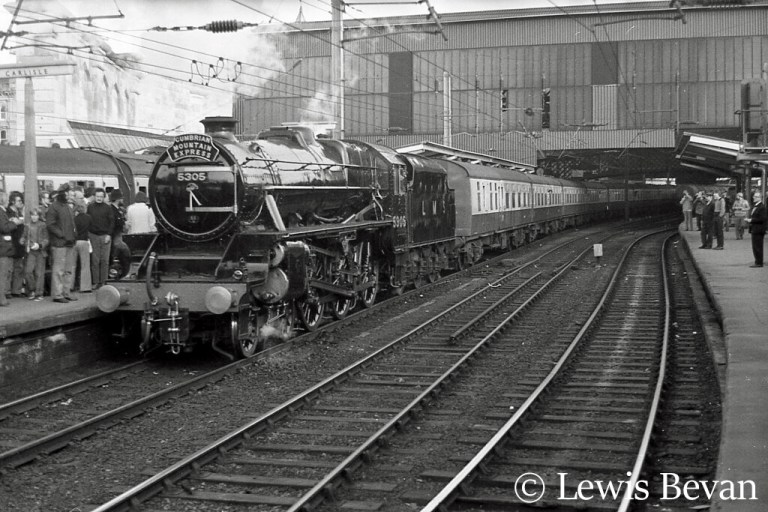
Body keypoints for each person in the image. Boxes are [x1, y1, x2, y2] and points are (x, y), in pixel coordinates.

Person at [46, 183, 78, 303]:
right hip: (61, 243)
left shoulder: (65, 206)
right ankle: (58, 294)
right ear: (63, 193)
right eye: (68, 192)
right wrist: (62, 234)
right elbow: (50, 224)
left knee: (68, 269)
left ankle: (66, 292)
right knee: (59, 270)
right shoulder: (55, 207)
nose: (69, 194)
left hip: (68, 242)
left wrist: (73, 235)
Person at [0, 190, 24, 306]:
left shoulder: (8, 212)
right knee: (5, 272)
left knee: (13, 270)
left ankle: (11, 292)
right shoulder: (3, 212)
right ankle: (4, 296)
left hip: (12, 245)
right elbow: (4, 228)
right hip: (6, 245)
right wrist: (15, 223)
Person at [87, 188, 114, 289]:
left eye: (101, 197)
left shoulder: (108, 208)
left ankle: (104, 281)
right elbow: (88, 220)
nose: (99, 198)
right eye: (97, 196)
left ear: (104, 197)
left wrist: (109, 235)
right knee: (95, 260)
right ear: (94, 196)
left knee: (105, 260)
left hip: (105, 236)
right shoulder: (90, 207)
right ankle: (95, 282)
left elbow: (112, 222)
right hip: (93, 235)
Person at [20, 208, 49, 300]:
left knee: (39, 273)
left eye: (36, 215)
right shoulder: (27, 225)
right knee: (28, 271)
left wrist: (40, 245)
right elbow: (23, 237)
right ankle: (33, 289)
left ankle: (39, 293)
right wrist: (23, 242)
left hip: (40, 251)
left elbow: (47, 239)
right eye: (32, 215)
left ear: (39, 216)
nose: (34, 217)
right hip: (31, 251)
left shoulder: (43, 225)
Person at [7, 191, 26, 296]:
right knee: (9, 269)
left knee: (18, 268)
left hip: (19, 244)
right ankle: (7, 291)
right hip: (11, 243)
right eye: (18, 200)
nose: (20, 202)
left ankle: (16, 290)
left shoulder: (19, 213)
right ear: (12, 201)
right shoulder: (8, 213)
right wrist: (15, 222)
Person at [73, 199, 92, 293]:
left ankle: (70, 286)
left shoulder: (74, 219)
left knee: (72, 265)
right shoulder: (88, 218)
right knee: (85, 265)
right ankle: (85, 287)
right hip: (84, 241)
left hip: (75, 242)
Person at [747, 191, 766, 268]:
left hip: (759, 229)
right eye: (754, 196)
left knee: (758, 246)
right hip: (755, 229)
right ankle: (757, 261)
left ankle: (759, 262)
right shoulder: (756, 206)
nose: (753, 198)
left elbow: (762, 219)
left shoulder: (762, 207)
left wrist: (751, 220)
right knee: (755, 246)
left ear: (759, 198)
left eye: (755, 197)